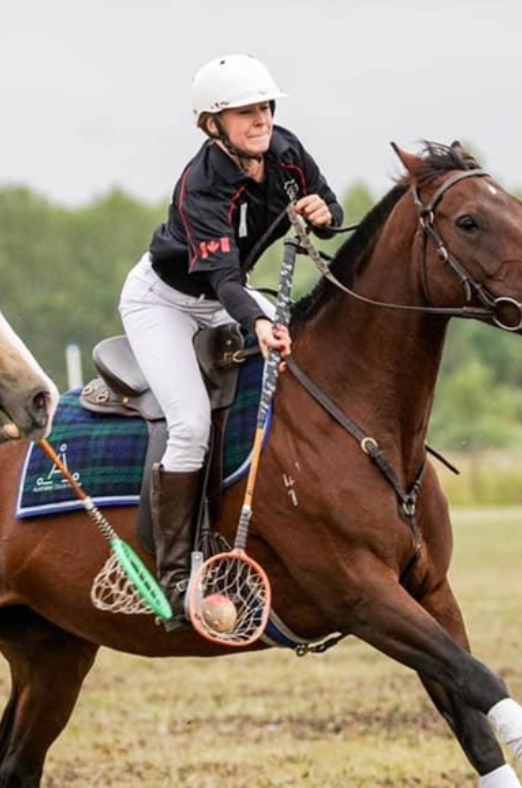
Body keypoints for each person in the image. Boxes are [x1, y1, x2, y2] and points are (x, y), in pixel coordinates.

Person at [119, 53, 343, 625]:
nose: (261, 119)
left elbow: (329, 204)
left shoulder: (286, 152)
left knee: (305, 372)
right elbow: (225, 281)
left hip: (228, 298)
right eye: (245, 112)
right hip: (164, 303)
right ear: (211, 125)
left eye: (265, 107)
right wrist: (261, 324)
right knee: (191, 423)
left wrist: (323, 211)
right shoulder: (201, 186)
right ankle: (173, 578)